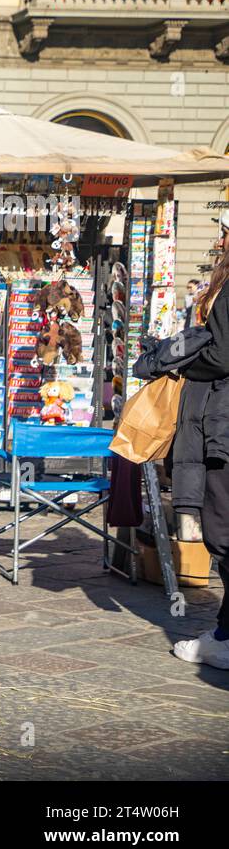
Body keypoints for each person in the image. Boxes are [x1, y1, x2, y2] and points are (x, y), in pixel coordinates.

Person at [171, 210, 229, 669]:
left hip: (223, 428)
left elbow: (222, 353)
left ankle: (226, 639)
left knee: (223, 533)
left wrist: (180, 360)